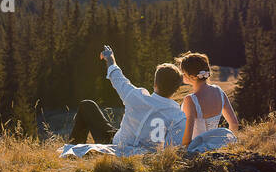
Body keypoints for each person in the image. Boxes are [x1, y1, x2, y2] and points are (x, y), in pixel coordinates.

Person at [59, 45, 187, 158]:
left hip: (117, 146)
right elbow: (174, 148)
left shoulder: (136, 96)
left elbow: (117, 77)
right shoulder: (177, 116)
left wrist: (110, 58)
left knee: (87, 105)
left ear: (155, 83)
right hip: (145, 155)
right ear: (175, 90)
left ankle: (71, 153)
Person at [176, 52, 239, 148]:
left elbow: (187, 140)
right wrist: (228, 146)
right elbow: (234, 124)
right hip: (218, 148)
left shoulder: (190, 100)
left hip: (197, 151)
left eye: (183, 73)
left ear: (192, 77)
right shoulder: (219, 92)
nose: (182, 75)